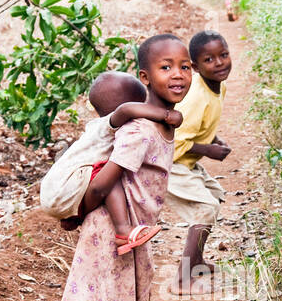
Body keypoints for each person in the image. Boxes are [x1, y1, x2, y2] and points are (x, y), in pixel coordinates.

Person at [59, 34, 193, 301]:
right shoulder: (140, 129)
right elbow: (102, 184)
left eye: (185, 66)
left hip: (132, 239)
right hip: (109, 238)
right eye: (166, 67)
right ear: (145, 77)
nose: (178, 74)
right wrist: (85, 211)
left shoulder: (159, 124)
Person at [40, 72, 180, 254]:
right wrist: (166, 115)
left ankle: (74, 216)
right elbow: (125, 110)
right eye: (142, 104)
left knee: (103, 173)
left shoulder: (94, 127)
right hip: (64, 186)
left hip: (56, 190)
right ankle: (123, 230)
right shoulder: (109, 124)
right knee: (109, 177)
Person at [166, 30, 231, 294]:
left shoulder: (218, 85)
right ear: (195, 66)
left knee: (213, 197)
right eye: (209, 60)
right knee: (204, 207)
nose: (219, 63)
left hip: (187, 160)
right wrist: (208, 150)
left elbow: (202, 126)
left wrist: (214, 139)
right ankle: (182, 279)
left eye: (223, 55)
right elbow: (174, 140)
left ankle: (196, 262)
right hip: (170, 162)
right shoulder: (196, 96)